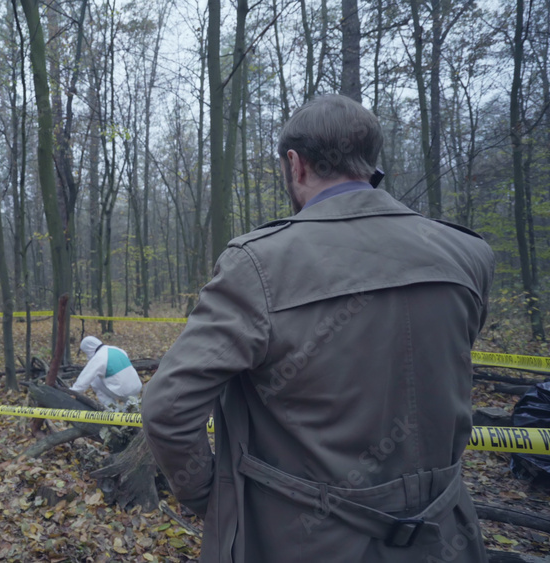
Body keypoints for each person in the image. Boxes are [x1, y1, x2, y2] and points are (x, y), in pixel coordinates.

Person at [141, 94, 494, 562]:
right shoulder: (467, 253)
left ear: (296, 164)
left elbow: (167, 408)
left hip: (301, 540)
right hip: (447, 536)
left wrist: (212, 498)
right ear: (370, 161)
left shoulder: (259, 265)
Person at [71, 336, 142, 410]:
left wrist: (73, 392)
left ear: (88, 349)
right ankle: (133, 407)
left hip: (121, 391)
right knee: (131, 402)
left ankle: (113, 409)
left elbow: (85, 378)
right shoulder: (117, 349)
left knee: (94, 380)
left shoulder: (99, 357)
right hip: (136, 387)